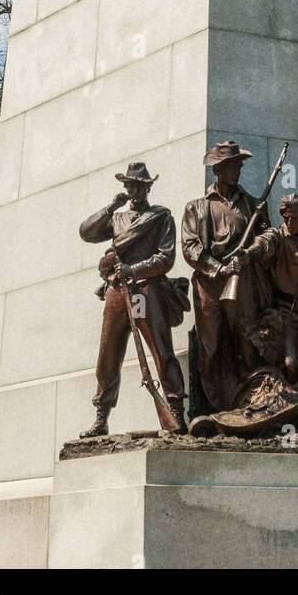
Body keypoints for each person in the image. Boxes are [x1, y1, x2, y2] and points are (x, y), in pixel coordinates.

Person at [79, 162, 187, 437]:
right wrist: (111, 206)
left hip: (147, 290)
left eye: (138, 185)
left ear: (148, 187)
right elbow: (86, 232)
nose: (133, 190)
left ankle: (175, 412)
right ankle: (101, 416)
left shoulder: (161, 217)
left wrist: (133, 269)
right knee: (108, 356)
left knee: (162, 352)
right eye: (129, 185)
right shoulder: (116, 219)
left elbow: (166, 258)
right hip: (118, 292)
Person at [181, 140, 270, 409]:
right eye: (231, 166)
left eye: (239, 165)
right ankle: (214, 406)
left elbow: (268, 235)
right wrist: (219, 268)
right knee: (211, 346)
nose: (237, 170)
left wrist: (252, 251)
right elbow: (190, 247)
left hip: (243, 281)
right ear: (217, 169)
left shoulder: (253, 204)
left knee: (247, 339)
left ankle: (252, 399)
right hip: (210, 284)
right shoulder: (196, 207)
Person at [234, 192, 298, 382]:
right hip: (291, 313)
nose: (289, 222)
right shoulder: (278, 236)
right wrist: (249, 253)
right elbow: (263, 243)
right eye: (285, 217)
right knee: (291, 366)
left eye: (294, 218)